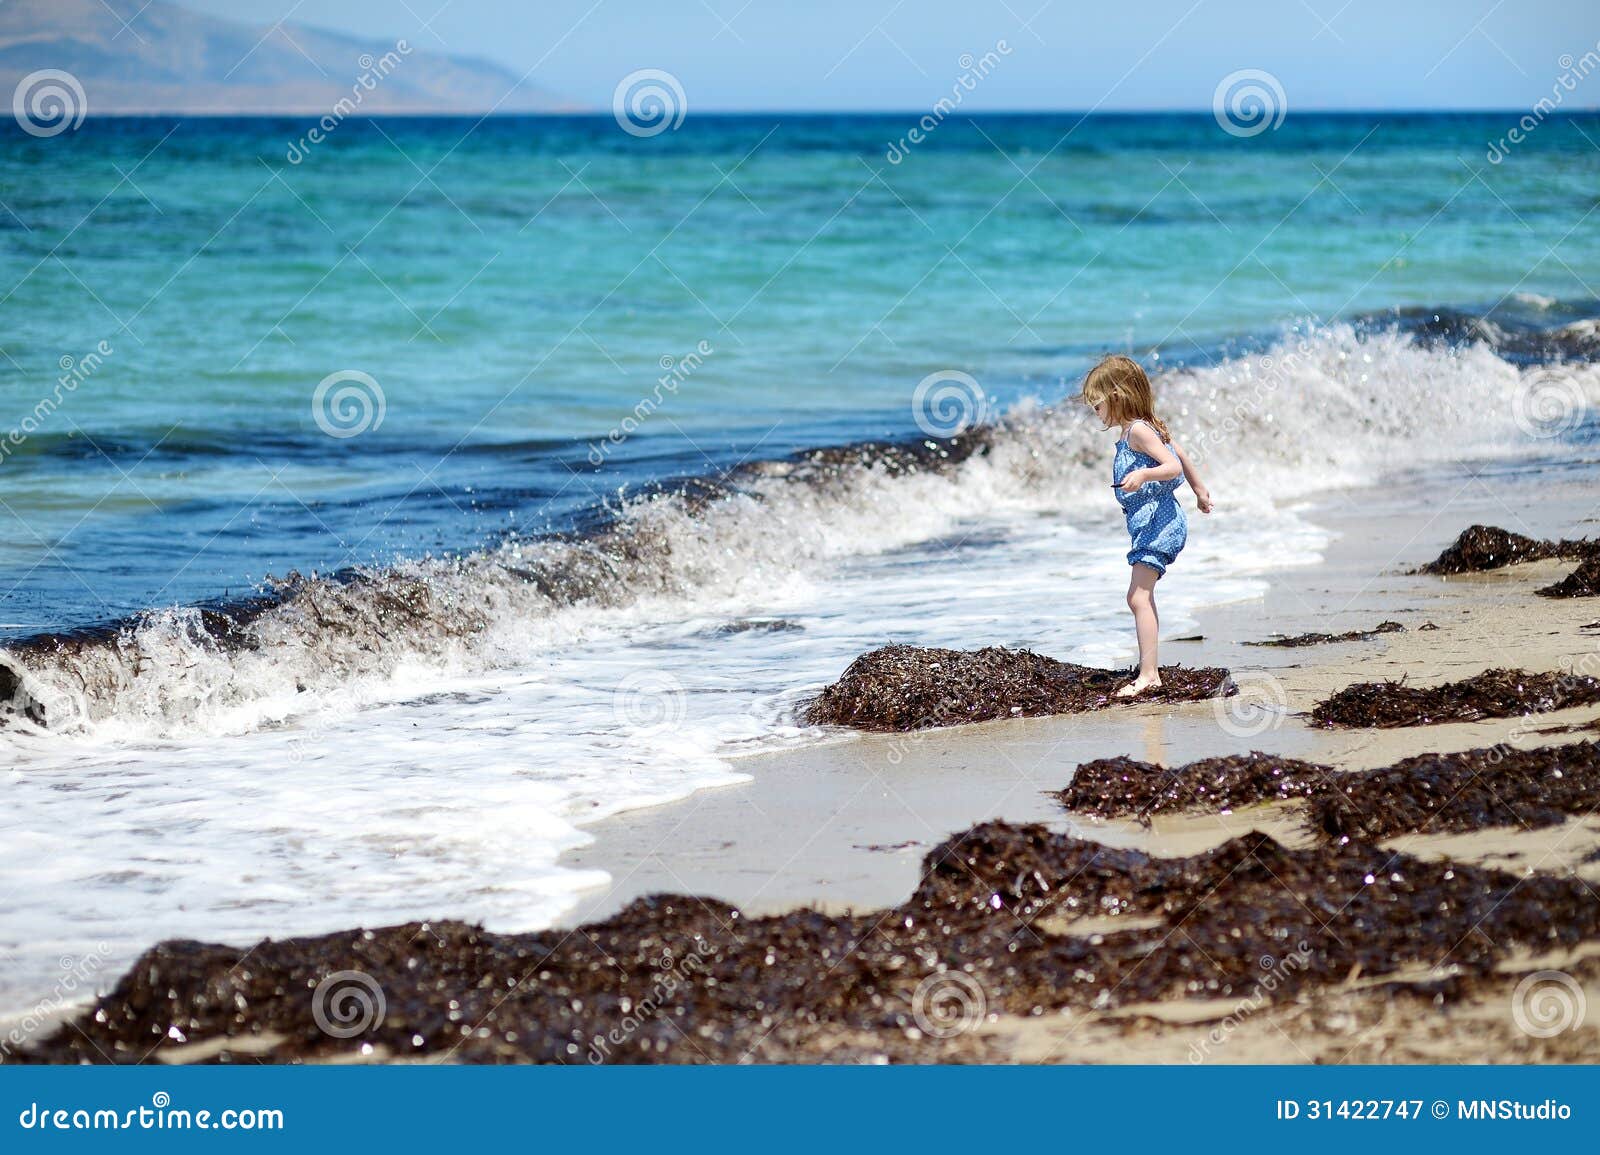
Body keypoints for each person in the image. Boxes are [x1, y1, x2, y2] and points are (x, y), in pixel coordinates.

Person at [1080, 355, 1213, 697]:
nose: (1095, 410)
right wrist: (1200, 491)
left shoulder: (1138, 431)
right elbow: (1179, 451)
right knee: (1141, 596)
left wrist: (1143, 474)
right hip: (1153, 523)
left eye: (1097, 404)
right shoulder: (1139, 429)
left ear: (1118, 396)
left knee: (1138, 597)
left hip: (1160, 523)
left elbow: (1171, 466)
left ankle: (1149, 674)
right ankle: (1149, 669)